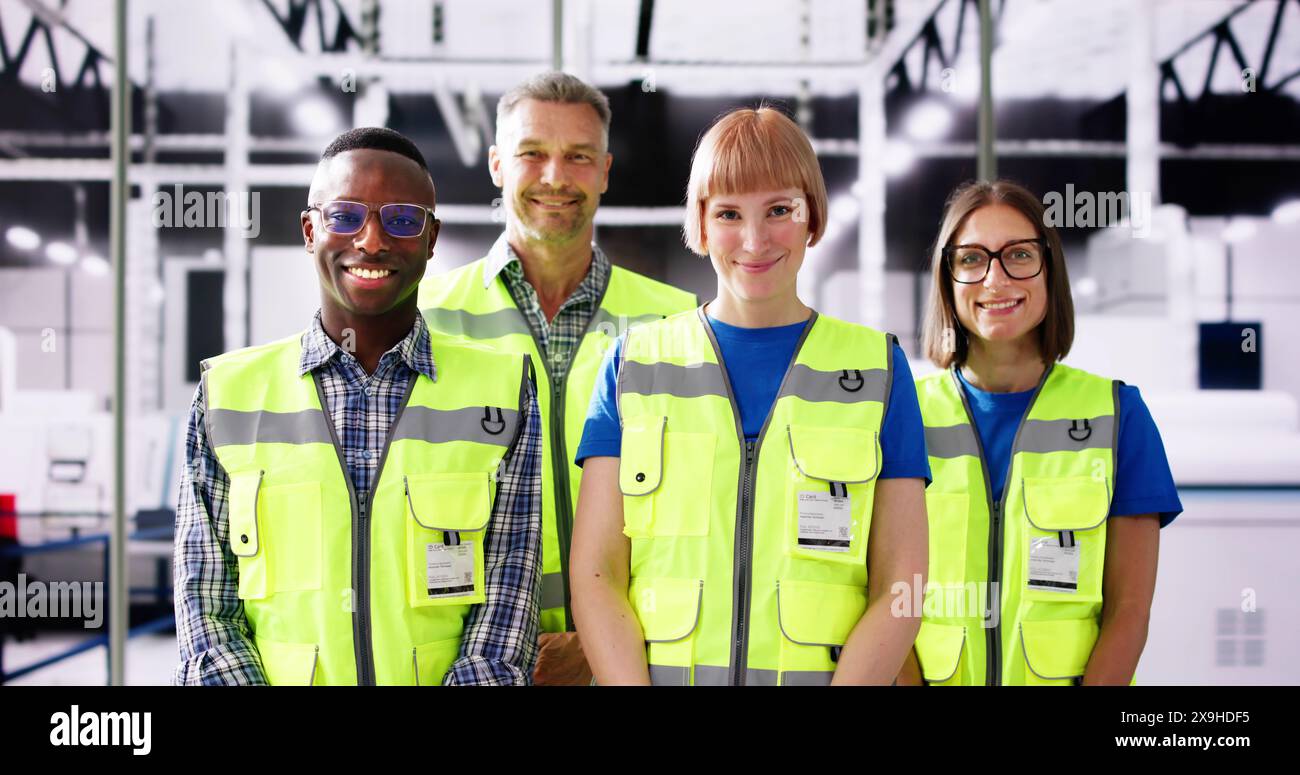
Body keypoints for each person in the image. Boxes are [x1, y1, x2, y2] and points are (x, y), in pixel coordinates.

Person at [569, 106, 929, 685]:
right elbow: (596, 573)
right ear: (702, 224)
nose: (755, 240)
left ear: (812, 216)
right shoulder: (634, 365)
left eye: (780, 210)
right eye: (730, 213)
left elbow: (901, 585)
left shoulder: (879, 372)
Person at [173, 127, 543, 685]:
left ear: (431, 237)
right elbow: (206, 611)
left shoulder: (503, 391)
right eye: (345, 216)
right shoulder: (228, 395)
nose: (372, 241)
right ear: (309, 229)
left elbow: (507, 603)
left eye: (401, 220)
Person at [418, 72, 696, 685]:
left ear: (604, 171)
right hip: (468, 666)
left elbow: (695, 516)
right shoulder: (426, 320)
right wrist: (503, 650)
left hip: (633, 664)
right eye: (532, 154)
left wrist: (598, 643)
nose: (555, 177)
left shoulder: (676, 324)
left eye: (578, 158)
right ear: (496, 164)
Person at [902, 179, 1181, 686]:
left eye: (1019, 255)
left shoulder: (1118, 416)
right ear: (947, 279)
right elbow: (885, 596)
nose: (995, 280)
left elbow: (1129, 613)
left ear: (1050, 270)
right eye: (971, 259)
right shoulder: (904, 417)